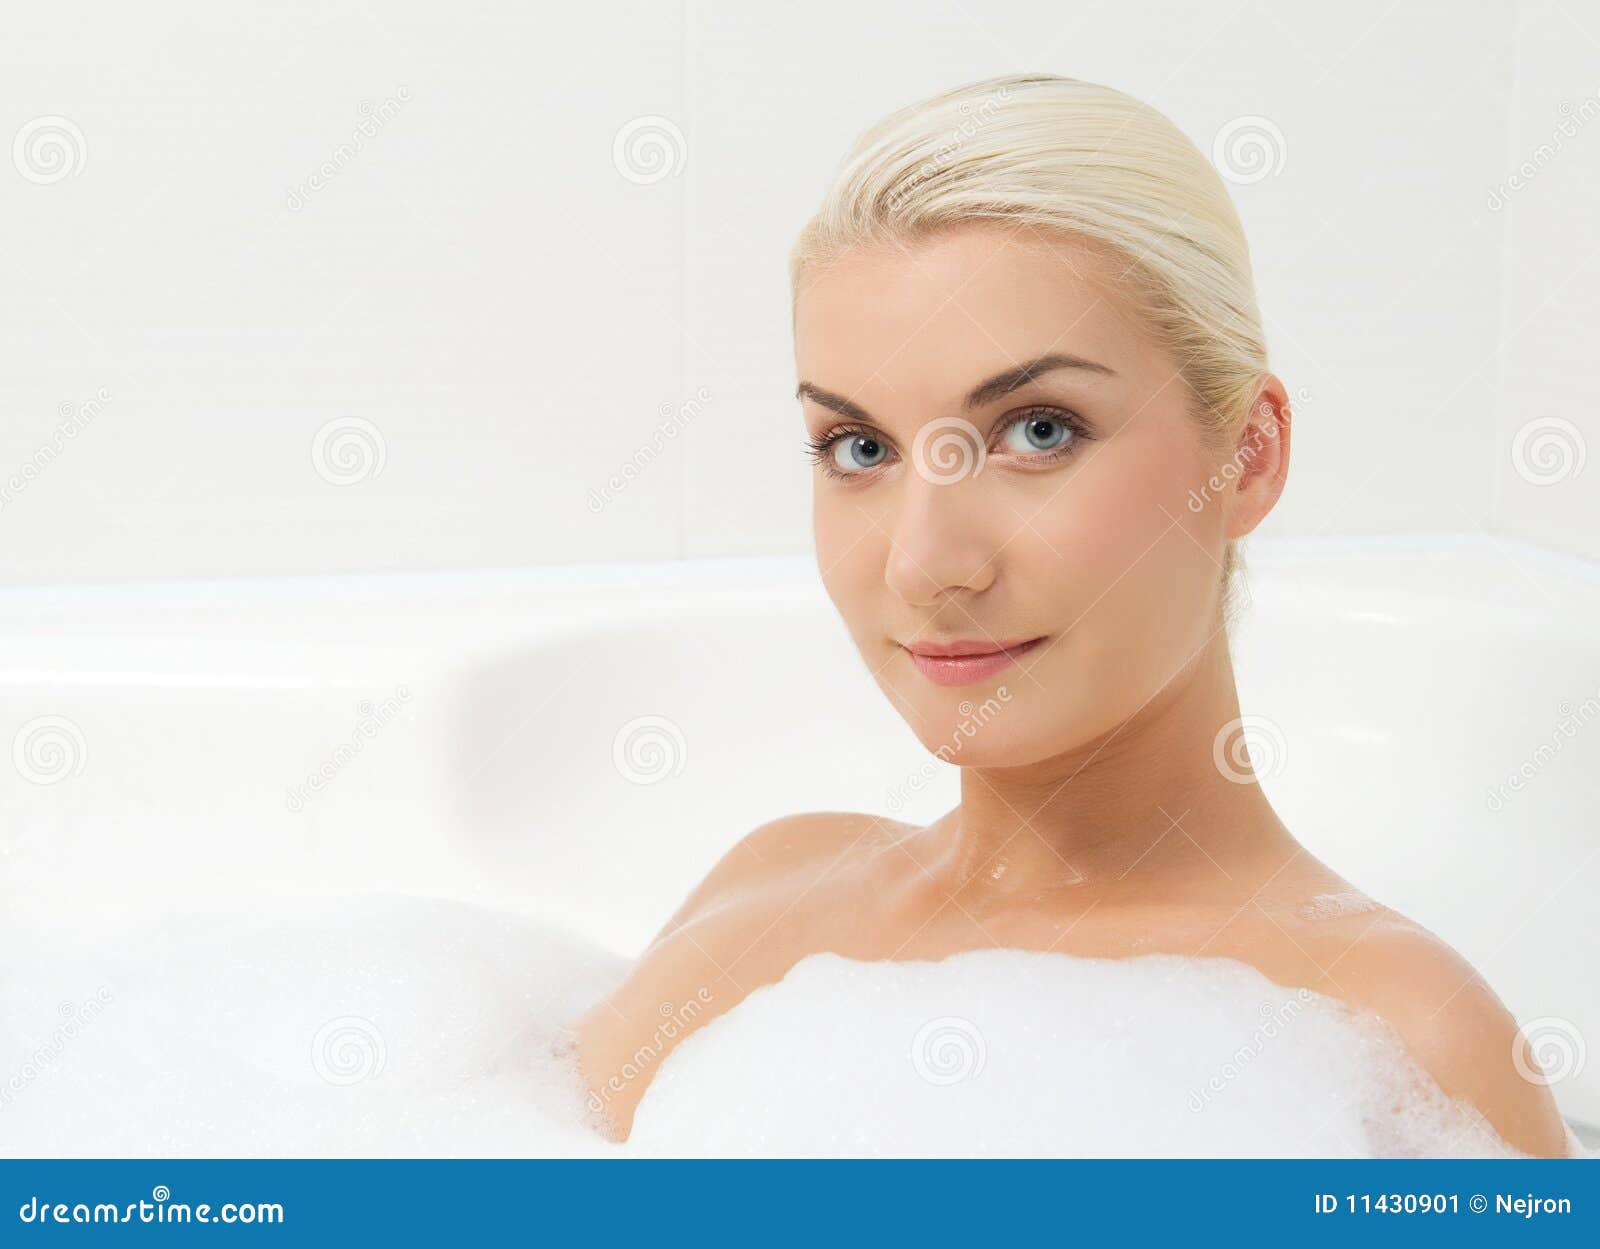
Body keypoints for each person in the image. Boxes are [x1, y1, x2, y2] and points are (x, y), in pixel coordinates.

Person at [574, 73, 1574, 1156]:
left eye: (1036, 431)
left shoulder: (1403, 1054)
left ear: (1247, 454)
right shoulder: (766, 890)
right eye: (858, 448)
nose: (925, 563)